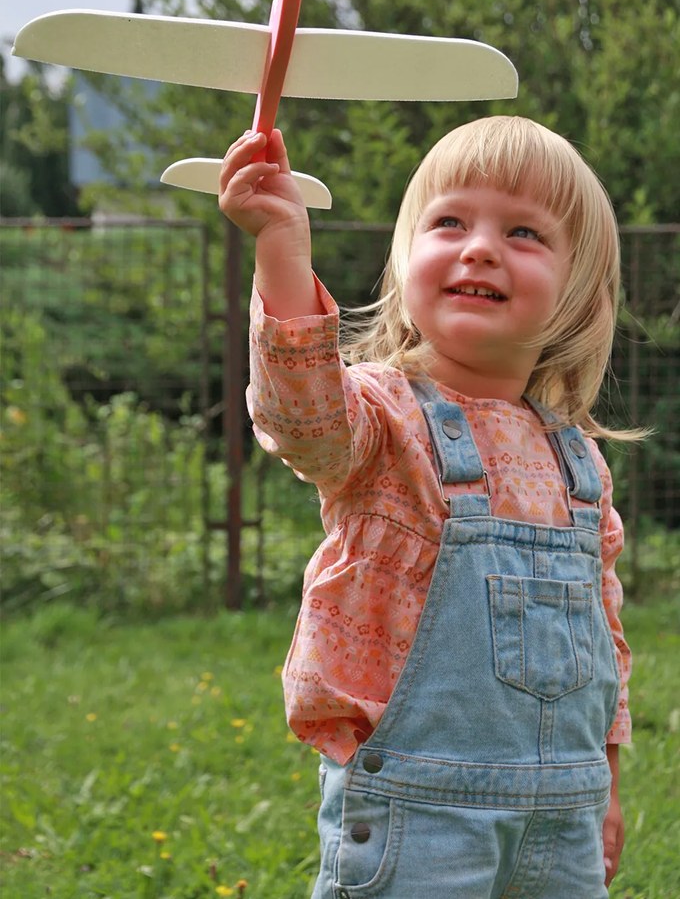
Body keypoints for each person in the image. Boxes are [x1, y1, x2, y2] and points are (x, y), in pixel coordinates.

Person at [219, 116, 634, 898]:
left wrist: (605, 779)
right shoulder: (384, 416)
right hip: (419, 815)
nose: (479, 246)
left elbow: (602, 635)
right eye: (449, 221)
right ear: (408, 257)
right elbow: (299, 418)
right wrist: (282, 246)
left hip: (564, 822)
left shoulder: (577, 460)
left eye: (523, 232)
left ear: (578, 293)